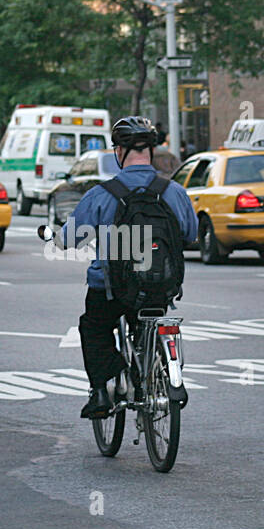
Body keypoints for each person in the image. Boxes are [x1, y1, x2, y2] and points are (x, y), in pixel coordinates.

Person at [53, 116, 197, 420]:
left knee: (93, 326)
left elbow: (70, 239)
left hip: (112, 287)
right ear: (152, 151)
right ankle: (160, 373)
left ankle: (103, 391)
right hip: (160, 286)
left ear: (119, 151)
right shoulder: (174, 192)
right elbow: (190, 234)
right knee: (146, 320)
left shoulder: (102, 194)